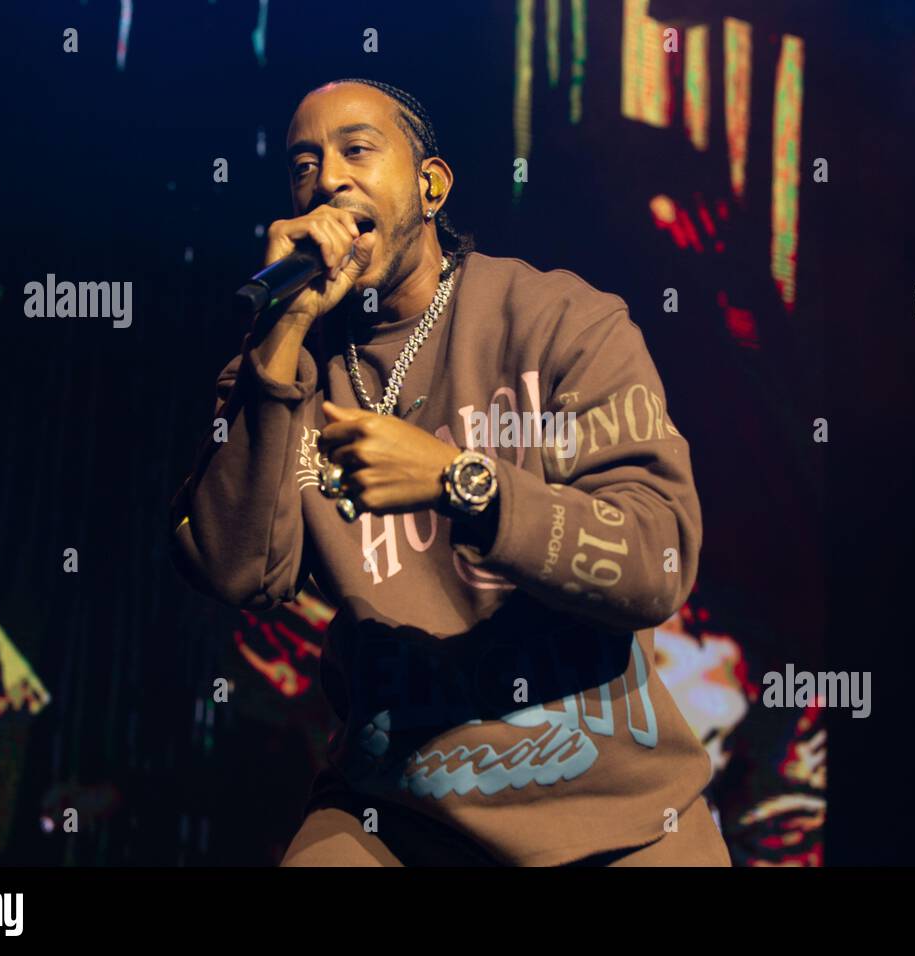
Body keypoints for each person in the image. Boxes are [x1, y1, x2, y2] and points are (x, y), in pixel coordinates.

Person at [169, 77, 730, 867]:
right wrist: (281, 335)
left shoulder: (560, 320)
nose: (328, 178)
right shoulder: (283, 371)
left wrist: (463, 484)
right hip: (396, 809)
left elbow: (655, 561)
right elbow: (231, 569)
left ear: (429, 185)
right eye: (303, 165)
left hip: (616, 816)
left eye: (357, 150)